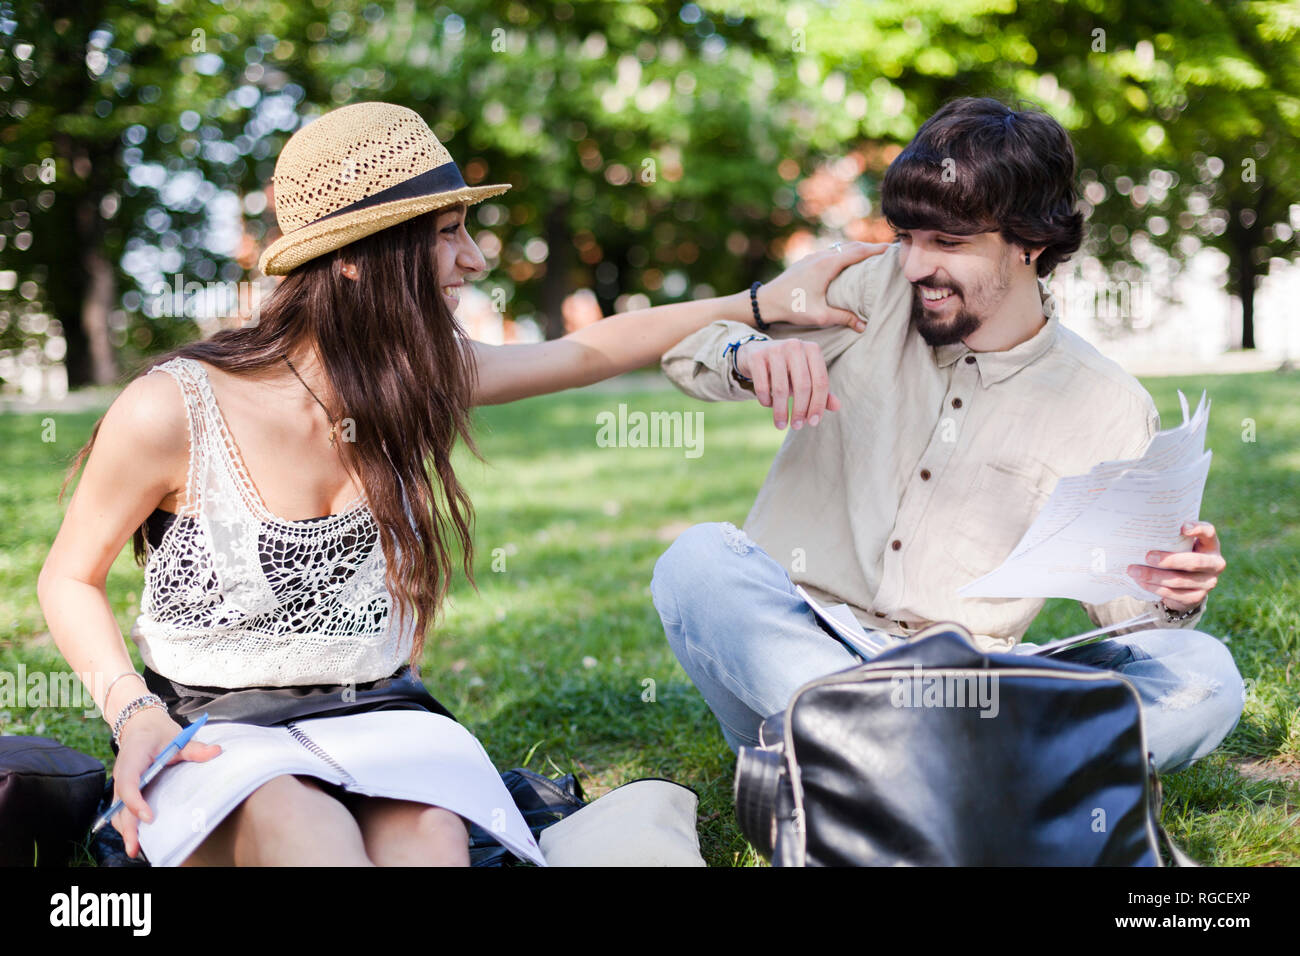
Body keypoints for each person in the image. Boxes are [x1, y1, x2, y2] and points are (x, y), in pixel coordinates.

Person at [36, 101, 878, 866]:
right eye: (445, 233)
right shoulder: (172, 408)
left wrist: (764, 304)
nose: (473, 260)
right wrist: (131, 710)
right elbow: (68, 577)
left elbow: (597, 349)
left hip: (376, 714)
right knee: (308, 834)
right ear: (358, 259)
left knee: (433, 843)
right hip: (217, 724)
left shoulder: (420, 380)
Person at [651, 96, 1243, 775]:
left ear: (1031, 244)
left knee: (1203, 672)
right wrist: (747, 355)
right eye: (906, 236)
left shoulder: (1106, 403)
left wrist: (1174, 592)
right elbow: (685, 346)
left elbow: (1125, 614)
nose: (913, 265)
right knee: (696, 562)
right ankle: (950, 770)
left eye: (948, 244)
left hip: (973, 684)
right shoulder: (863, 291)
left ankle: (883, 765)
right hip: (799, 650)